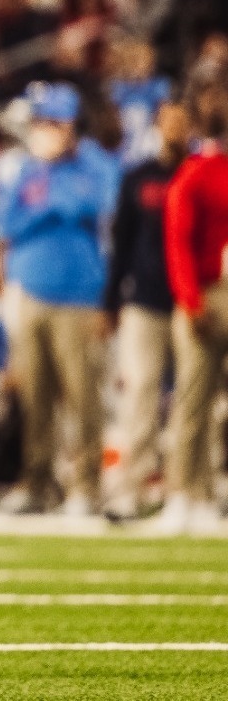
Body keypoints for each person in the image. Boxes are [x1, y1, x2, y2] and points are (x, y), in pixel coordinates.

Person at [0, 82, 119, 516]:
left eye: (52, 122)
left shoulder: (96, 164)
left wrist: (50, 206)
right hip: (30, 291)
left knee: (83, 396)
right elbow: (6, 223)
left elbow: (101, 204)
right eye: (40, 122)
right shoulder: (25, 169)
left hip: (81, 294)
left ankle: (86, 487)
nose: (44, 130)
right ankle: (37, 483)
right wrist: (52, 208)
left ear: (71, 124)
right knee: (35, 397)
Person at [104, 97, 189, 522]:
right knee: (139, 393)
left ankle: (189, 492)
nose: (175, 127)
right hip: (145, 298)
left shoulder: (200, 172)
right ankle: (130, 491)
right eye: (169, 119)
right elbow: (121, 243)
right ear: (157, 123)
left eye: (181, 120)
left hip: (192, 301)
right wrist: (111, 301)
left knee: (195, 399)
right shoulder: (138, 177)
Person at [163, 81, 228, 532]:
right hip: (207, 292)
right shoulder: (195, 173)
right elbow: (179, 242)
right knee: (192, 400)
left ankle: (208, 493)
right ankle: (185, 493)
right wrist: (191, 300)